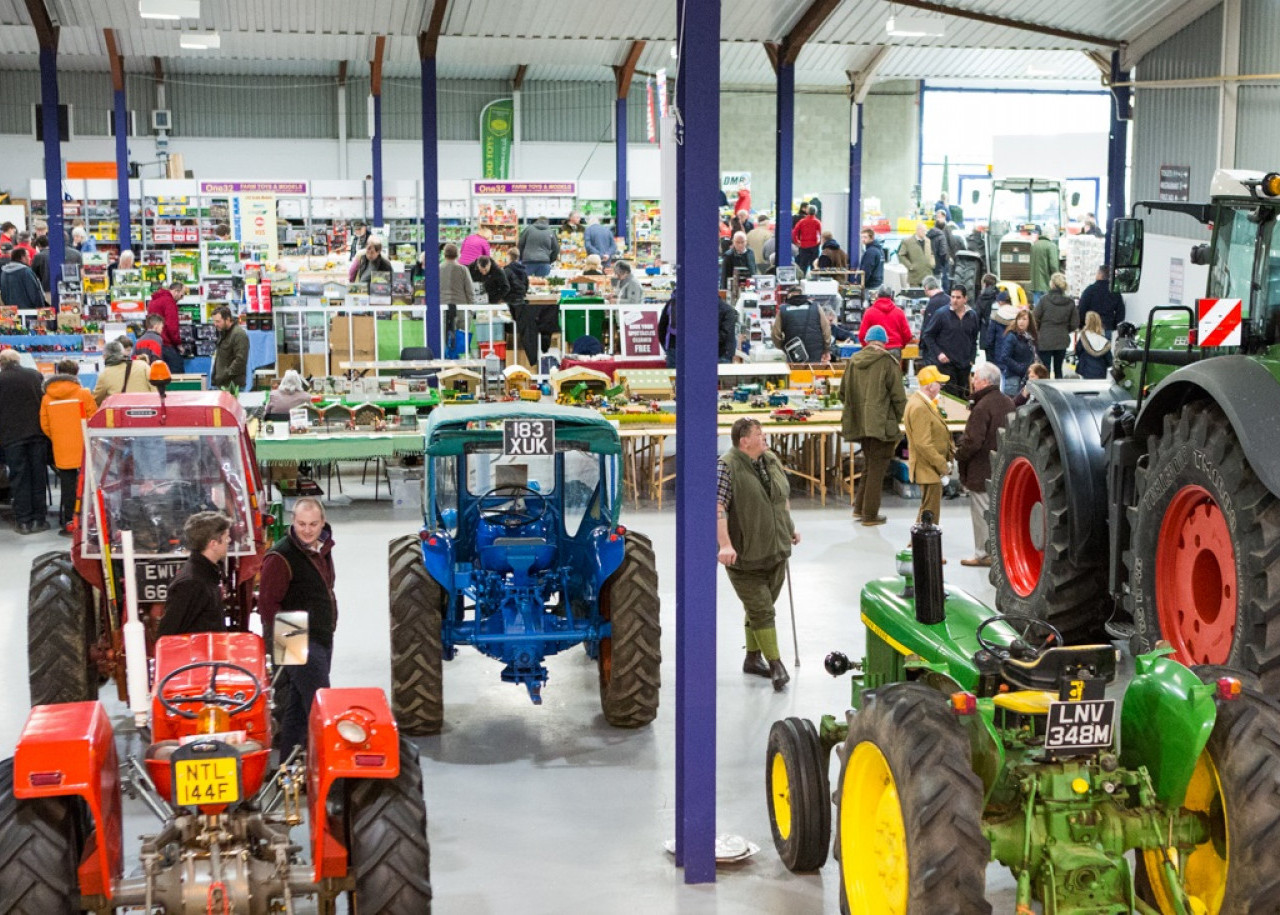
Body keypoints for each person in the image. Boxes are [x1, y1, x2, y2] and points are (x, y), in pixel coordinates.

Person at [716, 418, 798, 691]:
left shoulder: (770, 459)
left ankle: (752, 659)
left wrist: (790, 528)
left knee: (760, 608)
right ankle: (776, 665)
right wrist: (725, 544)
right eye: (759, 434)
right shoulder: (726, 467)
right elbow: (717, 508)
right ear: (744, 441)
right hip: (745, 557)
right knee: (763, 611)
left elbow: (781, 496)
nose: (764, 437)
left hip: (775, 551)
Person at [257, 497, 338, 761]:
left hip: (322, 634)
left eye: (313, 524)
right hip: (296, 636)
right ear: (293, 522)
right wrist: (293, 640)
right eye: (302, 524)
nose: (307, 529)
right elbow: (267, 605)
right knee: (319, 702)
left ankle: (288, 766)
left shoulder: (323, 548)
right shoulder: (281, 556)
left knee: (297, 704)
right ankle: (325, 765)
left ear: (322, 523)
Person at [840, 325, 906, 526]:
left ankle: (859, 508)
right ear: (884, 342)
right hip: (881, 425)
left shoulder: (853, 362)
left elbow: (843, 393)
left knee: (870, 465)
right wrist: (902, 418)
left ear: (866, 341)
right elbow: (898, 397)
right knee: (877, 469)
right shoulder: (887, 362)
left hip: (860, 423)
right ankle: (870, 515)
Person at [956, 363, 1015, 567]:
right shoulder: (1008, 402)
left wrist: (959, 454)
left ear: (986, 382)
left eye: (976, 378)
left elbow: (973, 441)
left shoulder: (982, 407)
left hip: (981, 469)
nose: (973, 381)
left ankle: (983, 554)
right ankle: (999, 552)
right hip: (1002, 466)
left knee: (982, 513)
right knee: (998, 512)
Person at [39, 359, 96, 533]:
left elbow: (45, 424)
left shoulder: (47, 397)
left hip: (61, 447)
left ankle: (69, 519)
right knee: (88, 483)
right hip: (84, 445)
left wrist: (57, 437)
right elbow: (93, 418)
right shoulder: (83, 394)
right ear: (76, 373)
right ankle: (88, 518)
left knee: (67, 485)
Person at [0, 349, 50, 534]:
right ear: (18, 360)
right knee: (38, 476)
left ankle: (23, 521)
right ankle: (40, 519)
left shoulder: (1, 379)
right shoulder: (34, 375)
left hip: (12, 437)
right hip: (37, 434)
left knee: (19, 478)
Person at [158, 511, 231, 636]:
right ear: (213, 544)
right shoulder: (192, 584)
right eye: (226, 537)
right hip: (199, 654)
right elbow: (168, 633)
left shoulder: (206, 573)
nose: (229, 541)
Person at [903, 365, 956, 527]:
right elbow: (923, 443)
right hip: (928, 469)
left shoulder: (924, 404)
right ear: (930, 386)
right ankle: (921, 549)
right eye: (939, 383)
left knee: (927, 512)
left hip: (930, 469)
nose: (941, 386)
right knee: (929, 514)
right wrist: (942, 465)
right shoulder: (919, 407)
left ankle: (917, 548)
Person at [922, 283, 980, 399]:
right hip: (946, 364)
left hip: (964, 365)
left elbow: (973, 339)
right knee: (950, 398)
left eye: (958, 297)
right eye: (952, 297)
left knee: (964, 398)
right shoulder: (941, 314)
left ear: (965, 299)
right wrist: (939, 354)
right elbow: (928, 335)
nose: (954, 300)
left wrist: (972, 359)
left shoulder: (972, 316)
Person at [1033, 272, 1078, 379]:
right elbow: (1075, 323)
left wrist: (1040, 330)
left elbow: (1035, 317)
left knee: (1045, 370)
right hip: (1062, 339)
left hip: (1045, 339)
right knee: (1058, 369)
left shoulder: (1044, 300)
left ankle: (1045, 394)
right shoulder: (1070, 302)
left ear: (1052, 284)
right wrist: (1065, 330)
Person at [771, 289, 832, 363]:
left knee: (795, 373)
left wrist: (783, 347)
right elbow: (826, 330)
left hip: (793, 352)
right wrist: (826, 349)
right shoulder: (816, 307)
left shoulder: (783, 310)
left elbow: (775, 334)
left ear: (789, 296)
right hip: (815, 352)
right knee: (813, 372)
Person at [94, 338, 154, 405]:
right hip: (147, 410)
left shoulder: (105, 375)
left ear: (104, 357)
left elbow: (96, 401)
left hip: (121, 413)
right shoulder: (143, 365)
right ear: (122, 352)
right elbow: (155, 390)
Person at [997, 309, 1038, 396]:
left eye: (1024, 319)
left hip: (1027, 378)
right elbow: (1004, 357)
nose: (1021, 322)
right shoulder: (1012, 336)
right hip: (1013, 378)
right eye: (1019, 319)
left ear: (1029, 321)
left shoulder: (1030, 338)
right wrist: (1020, 368)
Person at [857, 285, 912, 350]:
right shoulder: (899, 312)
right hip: (895, 348)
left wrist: (867, 347)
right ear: (891, 296)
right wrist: (900, 346)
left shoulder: (869, 312)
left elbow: (862, 335)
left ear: (877, 295)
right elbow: (908, 335)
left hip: (875, 349)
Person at [1077, 265, 1126, 335]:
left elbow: (1082, 309)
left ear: (1100, 274)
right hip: (1108, 329)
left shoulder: (1089, 290)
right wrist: (1115, 328)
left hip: (1092, 329)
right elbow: (1120, 313)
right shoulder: (1115, 292)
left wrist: (1082, 325)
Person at [211, 306, 250, 391]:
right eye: (214, 321)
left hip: (233, 386)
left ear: (227, 319)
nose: (215, 324)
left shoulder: (239, 334)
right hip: (223, 384)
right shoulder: (223, 333)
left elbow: (240, 360)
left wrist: (224, 375)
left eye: (218, 321)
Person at [916, 275, 949, 364]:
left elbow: (927, 328)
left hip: (933, 348)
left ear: (926, 287)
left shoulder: (933, 303)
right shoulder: (948, 299)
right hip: (947, 345)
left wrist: (922, 345)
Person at [982, 289, 1018, 365]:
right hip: (1015, 357)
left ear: (1001, 302)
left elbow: (990, 340)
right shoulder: (1019, 316)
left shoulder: (996, 316)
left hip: (999, 355)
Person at [1074, 310, 1113, 379]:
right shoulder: (1103, 341)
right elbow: (1109, 359)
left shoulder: (1084, 337)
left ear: (1087, 322)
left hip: (1086, 369)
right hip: (1101, 371)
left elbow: (1078, 351)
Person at [896, 223, 934, 288]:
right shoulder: (908, 241)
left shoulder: (928, 241)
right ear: (918, 230)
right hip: (915, 275)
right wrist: (910, 266)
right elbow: (901, 255)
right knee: (915, 295)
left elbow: (931, 253)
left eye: (926, 231)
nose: (925, 233)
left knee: (927, 295)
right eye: (923, 231)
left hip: (927, 274)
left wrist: (932, 263)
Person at [1029, 227, 1060, 303]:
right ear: (1051, 235)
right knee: (1047, 306)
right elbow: (1053, 265)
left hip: (1035, 283)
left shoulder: (1034, 245)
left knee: (1037, 306)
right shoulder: (1051, 246)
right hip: (1046, 283)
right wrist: (1058, 278)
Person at [973, 272, 999, 357]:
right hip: (999, 333)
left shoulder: (982, 298)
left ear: (984, 284)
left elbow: (977, 317)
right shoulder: (999, 296)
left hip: (986, 333)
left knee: (989, 361)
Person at [791, 206, 822, 274]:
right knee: (814, 265)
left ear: (807, 212)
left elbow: (794, 232)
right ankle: (814, 281)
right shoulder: (817, 222)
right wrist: (819, 242)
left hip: (803, 245)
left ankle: (802, 279)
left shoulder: (802, 221)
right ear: (815, 212)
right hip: (814, 245)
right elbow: (821, 233)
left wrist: (796, 241)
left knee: (803, 265)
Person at [926, 214, 953, 292]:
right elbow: (943, 252)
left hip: (929, 265)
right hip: (939, 266)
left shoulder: (928, 235)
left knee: (930, 285)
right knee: (939, 286)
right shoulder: (941, 236)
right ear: (943, 227)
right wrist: (944, 263)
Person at [717, 293, 738, 363]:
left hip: (723, 353)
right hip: (724, 352)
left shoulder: (725, 309)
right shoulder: (727, 309)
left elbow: (724, 333)